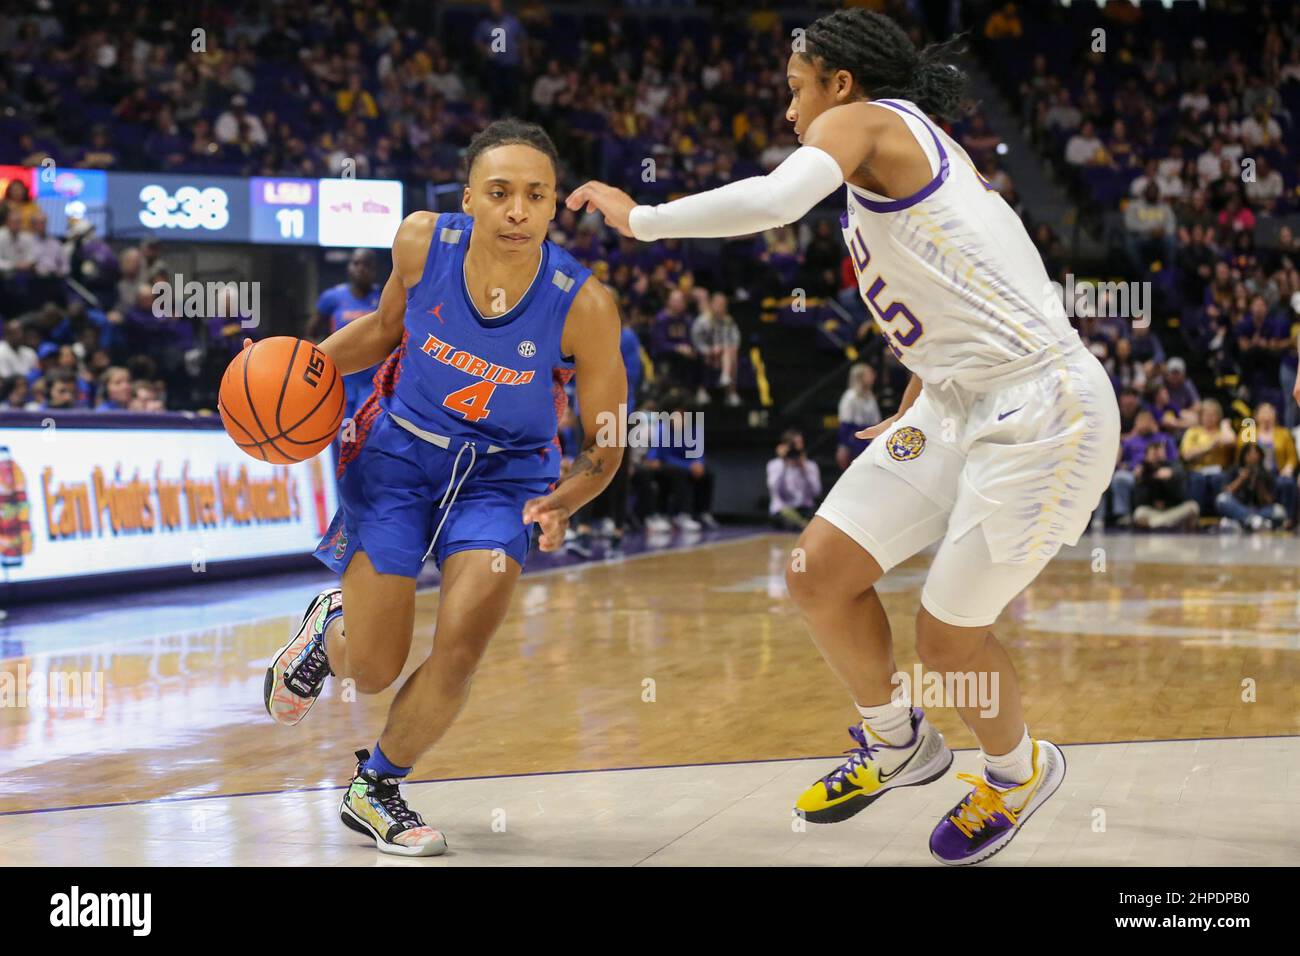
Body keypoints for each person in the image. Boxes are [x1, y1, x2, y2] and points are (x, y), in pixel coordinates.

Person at [567, 7, 1119, 865]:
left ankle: (1015, 773)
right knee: (819, 573)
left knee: (948, 639)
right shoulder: (896, 150)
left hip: (1045, 409)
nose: (789, 113)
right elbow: (958, 289)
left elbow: (775, 199)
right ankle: (898, 742)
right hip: (951, 398)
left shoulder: (869, 122)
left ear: (841, 84)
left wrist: (641, 219)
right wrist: (913, 400)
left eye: (796, 91)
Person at [262, 120, 626, 856]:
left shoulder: (584, 305)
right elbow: (383, 330)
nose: (517, 210)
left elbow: (606, 443)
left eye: (536, 195)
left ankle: (377, 788)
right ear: (469, 199)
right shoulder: (423, 242)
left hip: (504, 478)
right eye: (500, 193)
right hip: (399, 457)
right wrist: (298, 379)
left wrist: (566, 499)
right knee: (372, 669)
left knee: (463, 640)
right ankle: (331, 630)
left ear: (556, 207)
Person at [311, 249, 382, 424]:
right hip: (340, 378)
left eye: (366, 264)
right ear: (349, 267)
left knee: (366, 432)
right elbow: (312, 332)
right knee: (340, 430)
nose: (360, 269)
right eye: (356, 263)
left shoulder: (383, 298)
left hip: (372, 379)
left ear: (374, 270)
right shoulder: (332, 297)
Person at [1216, 443, 1286, 531]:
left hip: (1259, 509)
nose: (1253, 457)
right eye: (1249, 454)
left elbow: (1269, 501)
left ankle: (1241, 522)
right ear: (1243, 456)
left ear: (1260, 456)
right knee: (1222, 499)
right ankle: (1253, 522)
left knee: (1279, 511)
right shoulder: (1234, 470)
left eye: (1256, 454)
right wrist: (1241, 479)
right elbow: (1227, 492)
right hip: (1239, 506)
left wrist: (1259, 484)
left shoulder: (1266, 474)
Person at [1131, 439, 1199, 530]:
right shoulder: (1142, 472)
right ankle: (1167, 524)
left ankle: (1158, 524)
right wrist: (1143, 479)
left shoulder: (1174, 468)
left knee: (1193, 507)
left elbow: (1182, 496)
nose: (1157, 457)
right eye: (1154, 454)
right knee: (1139, 513)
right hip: (1153, 512)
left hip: (1173, 511)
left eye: (1160, 453)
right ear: (1147, 456)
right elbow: (1139, 502)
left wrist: (1171, 478)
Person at [767, 430, 822, 530]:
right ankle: (802, 524)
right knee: (785, 516)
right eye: (793, 445)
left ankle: (801, 524)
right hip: (783, 510)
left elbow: (816, 492)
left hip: (805, 509)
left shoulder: (810, 466)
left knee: (818, 518)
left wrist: (804, 469)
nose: (797, 448)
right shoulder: (775, 465)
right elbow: (775, 491)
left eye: (799, 444)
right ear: (784, 447)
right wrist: (784, 464)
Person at [835, 362, 881, 469]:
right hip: (855, 440)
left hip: (869, 439)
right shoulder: (850, 396)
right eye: (869, 373)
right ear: (860, 377)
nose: (873, 375)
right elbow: (845, 424)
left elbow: (876, 421)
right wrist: (843, 447)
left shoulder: (870, 396)